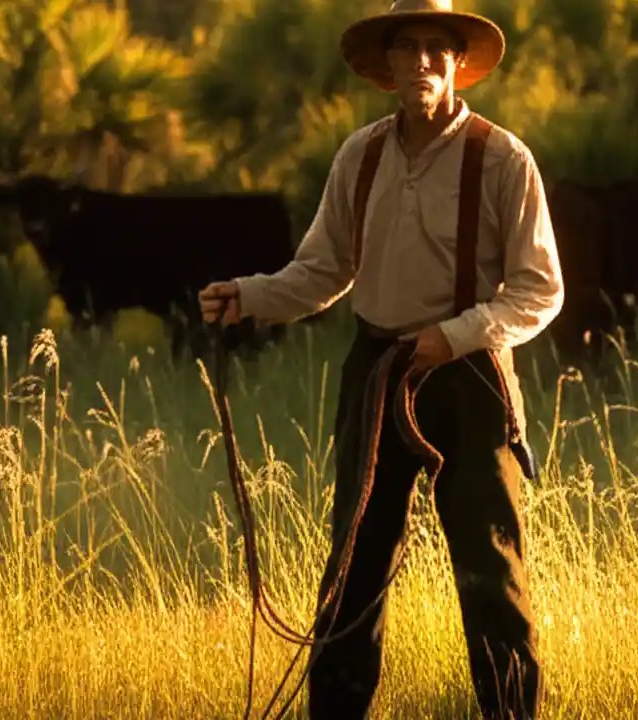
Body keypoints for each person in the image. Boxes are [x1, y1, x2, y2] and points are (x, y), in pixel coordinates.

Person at [198, 1, 563, 717]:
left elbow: (539, 289)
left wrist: (455, 335)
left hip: (469, 375)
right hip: (376, 367)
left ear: (459, 62)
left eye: (436, 47)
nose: (422, 61)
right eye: (407, 46)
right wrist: (246, 296)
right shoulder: (359, 156)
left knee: (490, 570)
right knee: (354, 562)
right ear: (388, 64)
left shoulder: (502, 158)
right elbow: (322, 272)